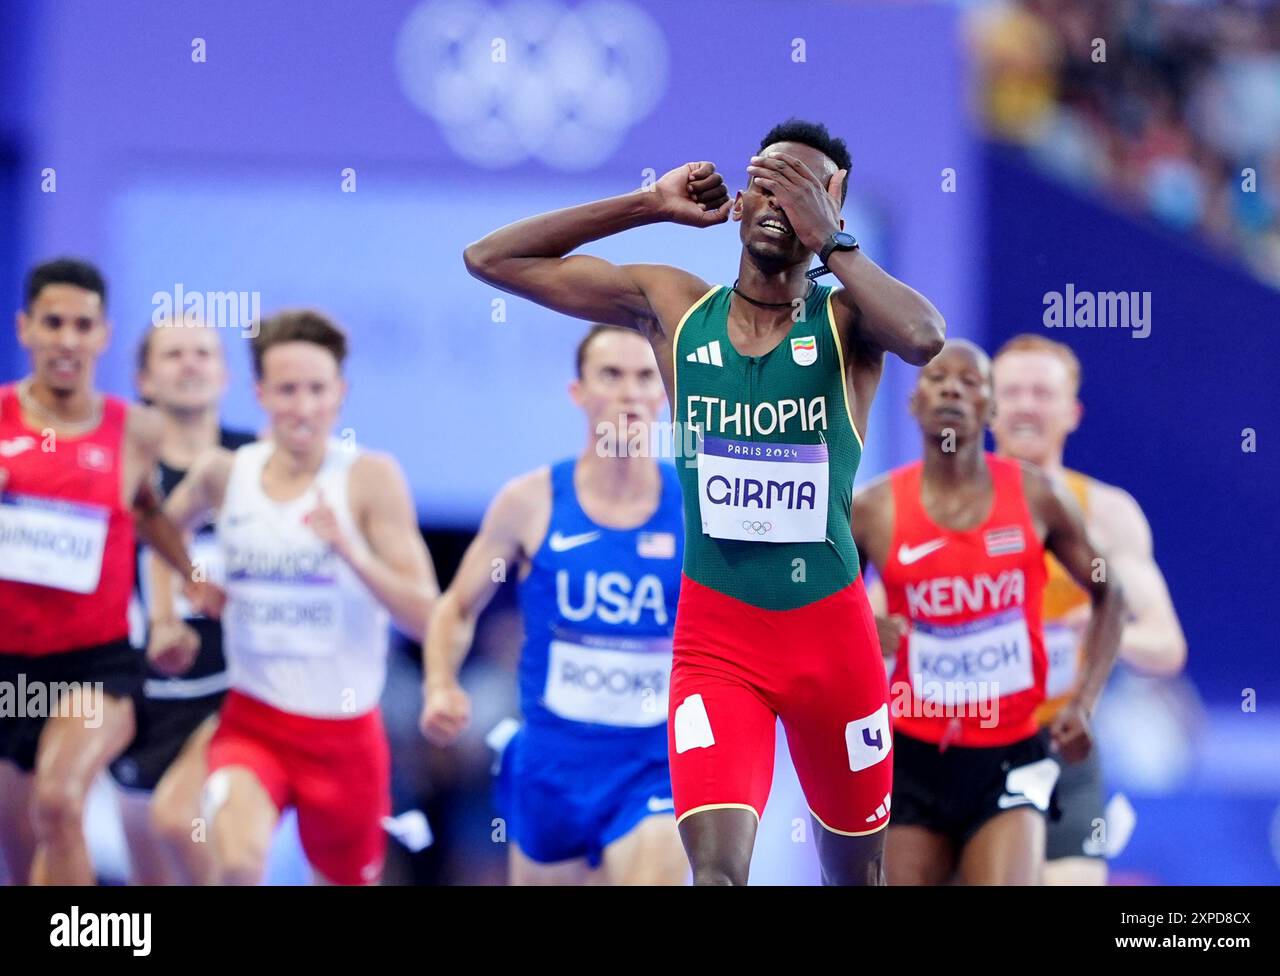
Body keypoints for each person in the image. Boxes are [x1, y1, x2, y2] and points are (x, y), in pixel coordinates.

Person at [464, 118, 945, 884]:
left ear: (833, 211)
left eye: (804, 189)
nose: (779, 201)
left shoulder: (848, 321)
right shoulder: (676, 310)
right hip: (720, 650)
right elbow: (490, 258)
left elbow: (924, 336)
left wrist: (835, 245)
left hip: (835, 649)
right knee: (716, 876)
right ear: (740, 196)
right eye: (767, 180)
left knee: (856, 877)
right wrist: (647, 205)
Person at [153, 310, 437, 885]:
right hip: (254, 724)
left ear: (342, 393)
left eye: (317, 390)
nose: (303, 407)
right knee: (235, 865)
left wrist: (351, 553)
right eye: (287, 390)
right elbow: (155, 526)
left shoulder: (369, 480)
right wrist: (172, 603)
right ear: (260, 392)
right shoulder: (224, 473)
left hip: (346, 741)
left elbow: (428, 616)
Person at [421, 324, 687, 885]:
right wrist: (441, 683)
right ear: (578, 393)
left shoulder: (696, 505)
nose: (630, 393)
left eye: (645, 377)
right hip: (551, 769)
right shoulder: (530, 501)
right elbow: (458, 608)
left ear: (664, 395)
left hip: (654, 767)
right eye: (611, 376)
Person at [852, 339, 1125, 884]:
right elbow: (819, 611)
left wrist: (1085, 702)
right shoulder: (873, 510)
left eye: (971, 381)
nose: (953, 387)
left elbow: (1109, 594)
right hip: (910, 755)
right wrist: (859, 629)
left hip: (1011, 752)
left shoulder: (1036, 496)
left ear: (991, 410)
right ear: (913, 402)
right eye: (938, 378)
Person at [0, 258, 219, 885]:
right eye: (53, 323)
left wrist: (191, 575)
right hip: (6, 665)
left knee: (60, 801)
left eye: (82, 325)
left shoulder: (135, 430)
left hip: (93, 665)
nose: (67, 339)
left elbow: (147, 510)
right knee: (19, 842)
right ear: (25, 328)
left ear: (102, 336)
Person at [990, 333, 1185, 885]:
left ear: (1072, 412)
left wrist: (1097, 629)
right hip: (953, 748)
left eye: (1041, 393)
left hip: (1061, 748)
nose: (1027, 405)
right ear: (987, 407)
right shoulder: (932, 504)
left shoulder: (1106, 516)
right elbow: (871, 627)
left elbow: (1166, 647)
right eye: (1012, 392)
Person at [110, 322, 255, 884]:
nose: (190, 364)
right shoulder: (119, 471)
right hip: (142, 698)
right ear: (145, 379)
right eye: (173, 355)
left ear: (225, 376)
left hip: (234, 690)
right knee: (149, 880)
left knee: (180, 818)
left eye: (203, 354)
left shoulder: (256, 464)